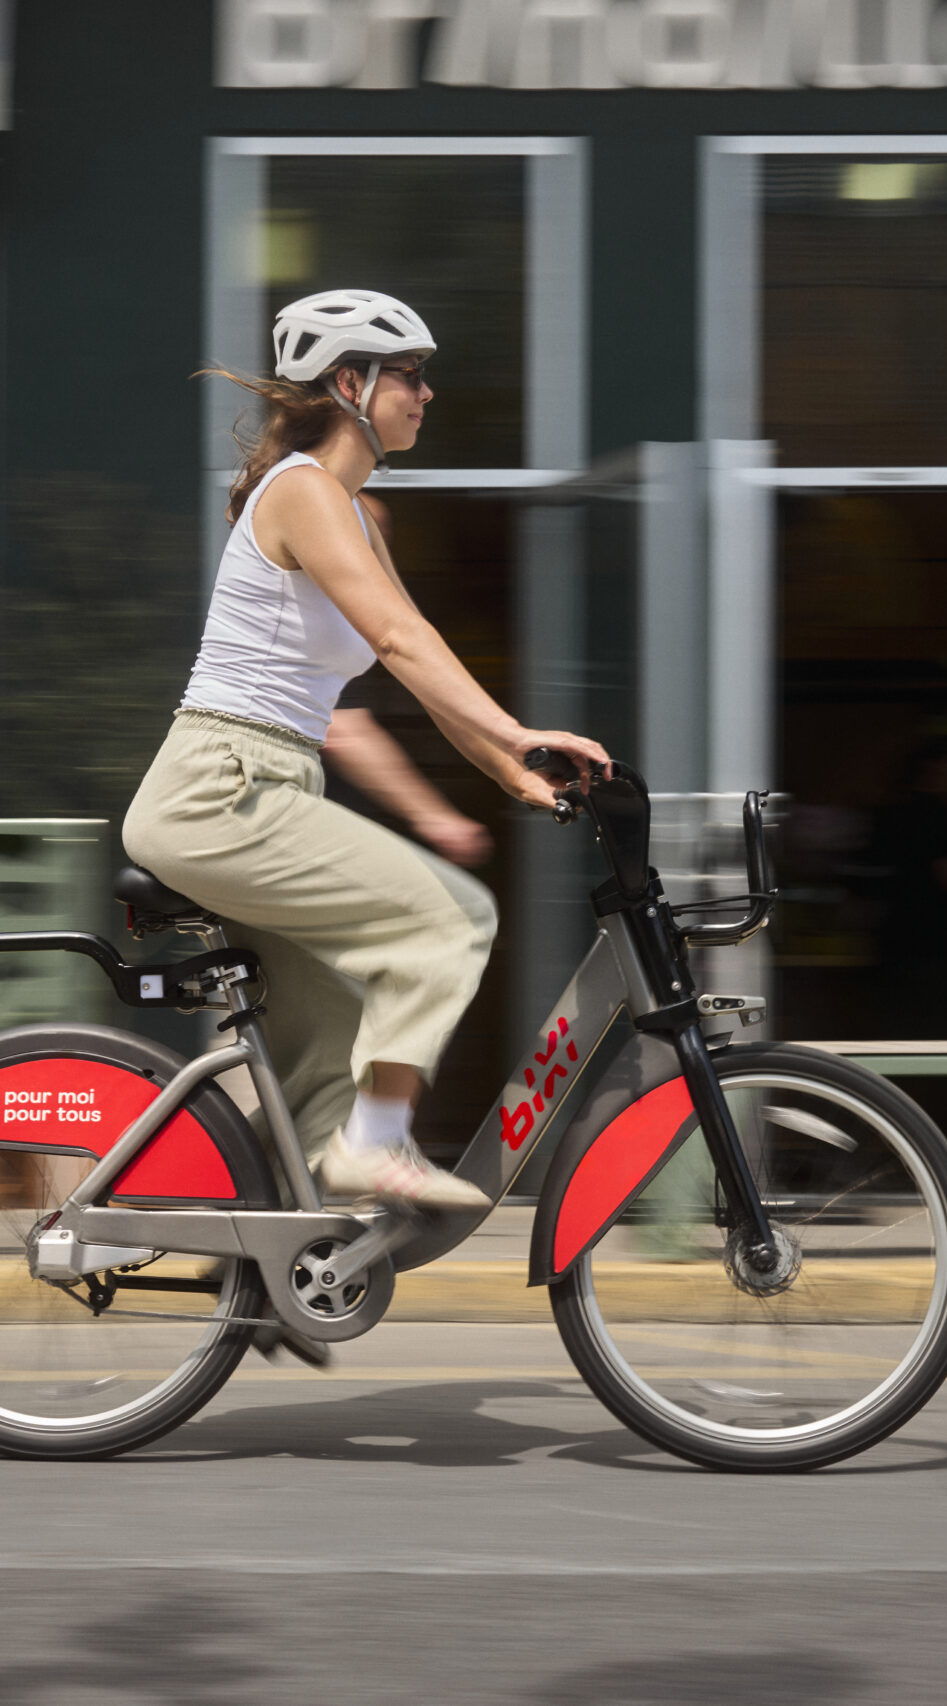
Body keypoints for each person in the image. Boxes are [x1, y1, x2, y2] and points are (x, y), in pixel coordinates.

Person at [122, 288, 611, 1210]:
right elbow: (396, 642)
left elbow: (421, 650)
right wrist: (517, 730)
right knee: (454, 918)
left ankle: (264, 1255)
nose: (427, 395)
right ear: (350, 383)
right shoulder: (305, 489)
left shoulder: (348, 507)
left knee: (330, 1023)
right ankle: (375, 1146)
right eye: (410, 376)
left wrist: (511, 771)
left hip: (266, 790)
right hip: (222, 789)